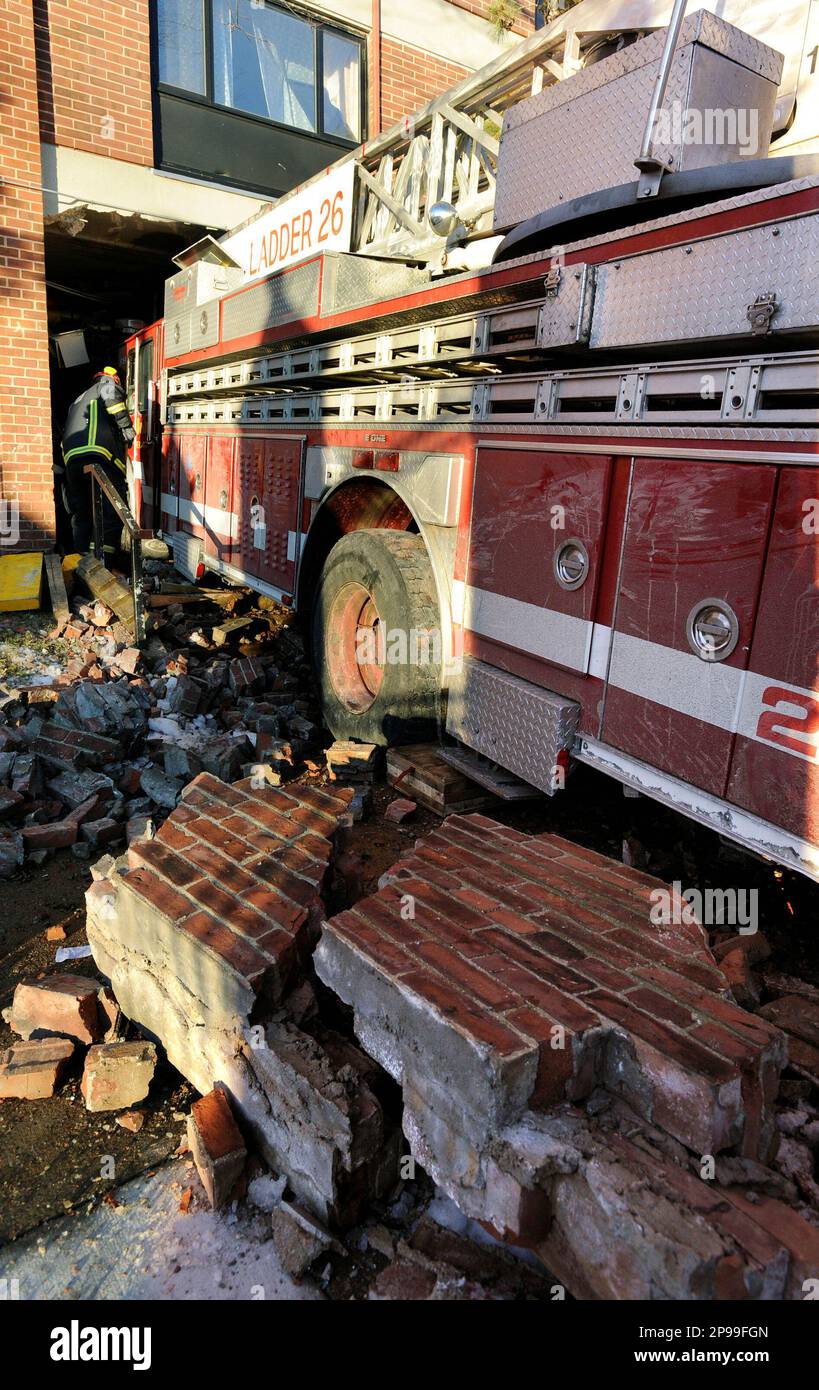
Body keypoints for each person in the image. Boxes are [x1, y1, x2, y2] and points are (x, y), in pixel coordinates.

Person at [58, 366, 135, 554]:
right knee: (111, 513)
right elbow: (113, 401)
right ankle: (104, 564)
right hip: (97, 457)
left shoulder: (77, 402)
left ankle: (81, 558)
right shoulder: (106, 383)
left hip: (73, 464)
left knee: (83, 514)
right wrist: (125, 427)